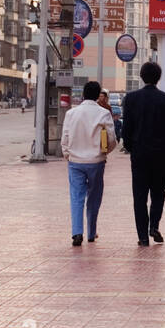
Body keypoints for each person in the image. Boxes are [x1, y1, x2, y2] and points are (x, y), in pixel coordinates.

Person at [121, 61, 165, 246]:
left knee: (139, 195)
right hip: (161, 155)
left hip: (139, 154)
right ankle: (154, 225)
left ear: (141, 76)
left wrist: (131, 147)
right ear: (158, 77)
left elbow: (126, 129)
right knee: (158, 192)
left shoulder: (131, 98)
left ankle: (142, 237)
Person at [61, 80, 115, 247]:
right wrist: (104, 152)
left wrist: (67, 154)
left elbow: (65, 137)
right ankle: (91, 232)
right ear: (98, 95)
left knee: (76, 197)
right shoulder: (103, 114)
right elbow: (112, 139)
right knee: (94, 198)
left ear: (83, 94)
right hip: (96, 162)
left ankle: (77, 232)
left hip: (75, 161)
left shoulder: (71, 113)